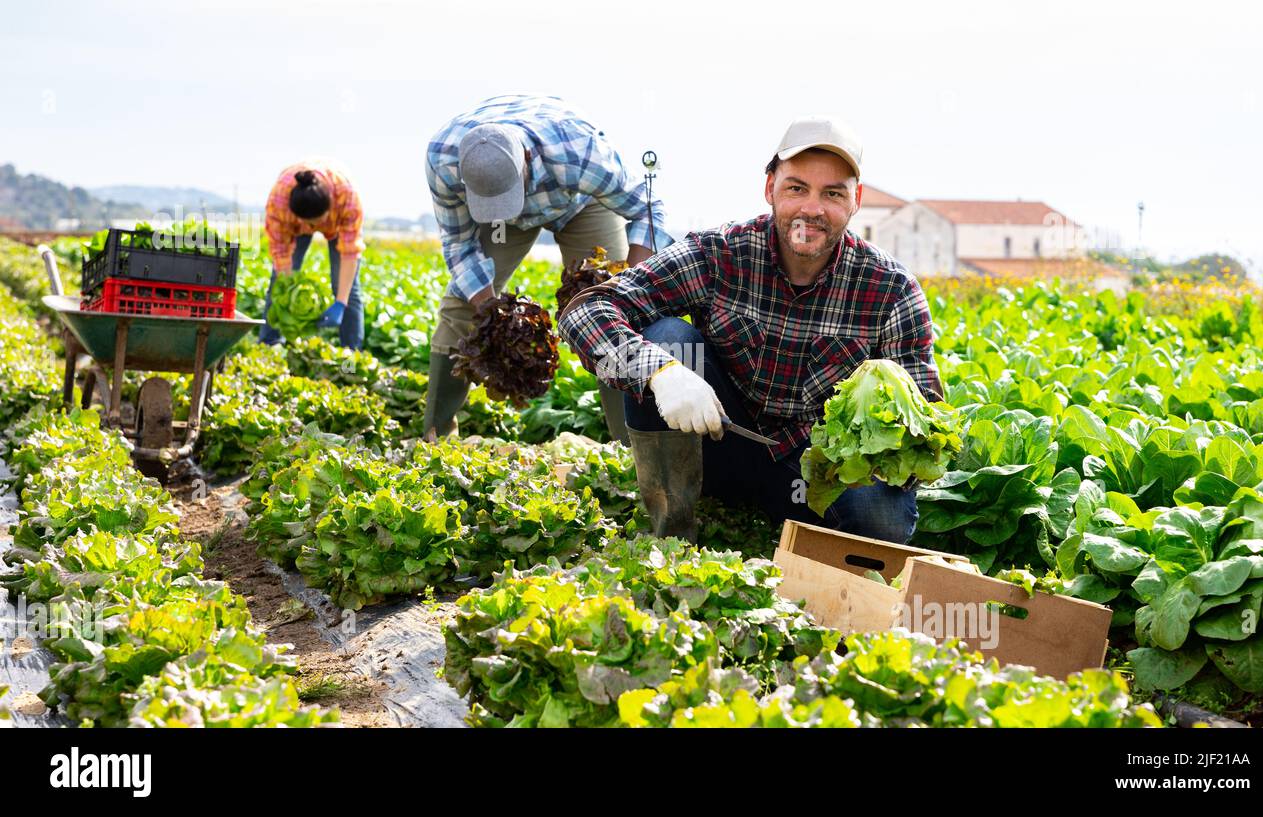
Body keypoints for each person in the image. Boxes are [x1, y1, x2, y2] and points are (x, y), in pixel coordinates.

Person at [558, 116, 943, 544]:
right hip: (716, 443)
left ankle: (817, 545)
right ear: (770, 189)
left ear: (856, 201)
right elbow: (586, 311)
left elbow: (922, 406)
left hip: (815, 469)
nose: (812, 209)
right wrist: (659, 373)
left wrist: (881, 450)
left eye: (832, 193)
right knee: (669, 338)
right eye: (797, 188)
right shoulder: (719, 253)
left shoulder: (890, 288)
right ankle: (674, 529)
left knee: (883, 521)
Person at [422, 94, 671, 441]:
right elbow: (459, 245)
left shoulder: (580, 151)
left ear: (526, 158)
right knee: (462, 309)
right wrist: (494, 317)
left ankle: (630, 444)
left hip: (582, 203)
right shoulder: (443, 160)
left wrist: (629, 284)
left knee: (613, 314)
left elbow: (646, 208)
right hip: (504, 222)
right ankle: (435, 435)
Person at [260, 160, 365, 349]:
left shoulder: (347, 197)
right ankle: (270, 343)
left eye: (317, 223)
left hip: (338, 223)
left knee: (351, 291)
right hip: (292, 225)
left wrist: (341, 302)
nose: (313, 229)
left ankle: (351, 353)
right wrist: (287, 294)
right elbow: (280, 251)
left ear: (330, 208)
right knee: (278, 282)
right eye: (308, 224)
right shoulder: (279, 203)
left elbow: (350, 254)